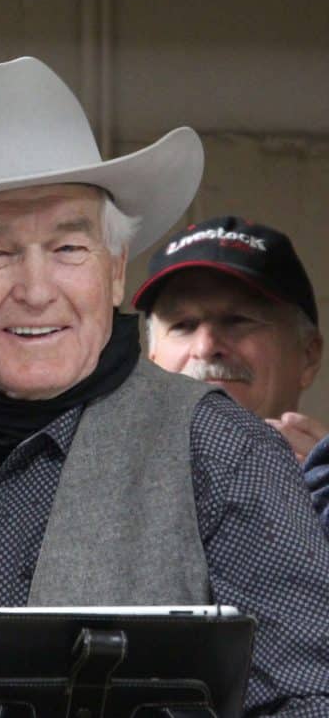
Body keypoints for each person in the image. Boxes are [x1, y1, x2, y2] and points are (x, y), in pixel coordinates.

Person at [0, 57, 329, 717]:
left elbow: (304, 701)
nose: (37, 290)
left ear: (115, 268)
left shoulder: (222, 451)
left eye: (69, 249)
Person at [132, 217, 329, 535]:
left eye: (238, 320)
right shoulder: (92, 488)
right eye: (183, 325)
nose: (207, 346)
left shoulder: (324, 490)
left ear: (308, 356)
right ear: (151, 361)